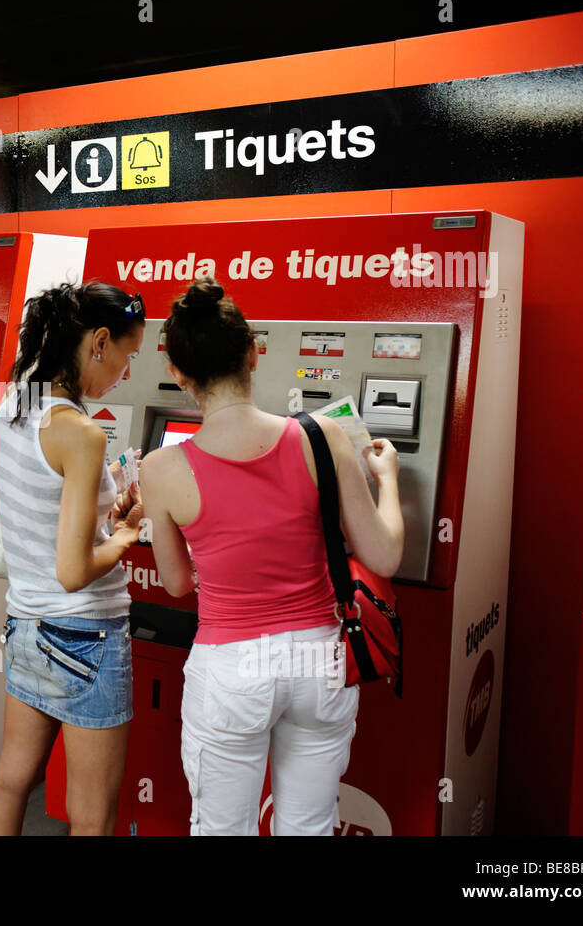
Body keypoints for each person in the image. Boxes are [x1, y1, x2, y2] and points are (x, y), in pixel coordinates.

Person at [138, 279, 404, 836]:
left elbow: (178, 585)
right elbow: (384, 552)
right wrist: (389, 481)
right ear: (253, 355)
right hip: (319, 664)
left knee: (221, 828)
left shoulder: (161, 471)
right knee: (309, 826)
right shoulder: (323, 435)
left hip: (231, 669)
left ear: (181, 377)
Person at [0, 282, 146, 836]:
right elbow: (74, 572)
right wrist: (125, 533)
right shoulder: (82, 432)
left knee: (9, 783)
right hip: (86, 637)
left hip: (25, 626)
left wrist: (101, 497)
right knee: (91, 818)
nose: (126, 372)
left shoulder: (14, 406)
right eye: (128, 354)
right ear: (100, 341)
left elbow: (6, 503)